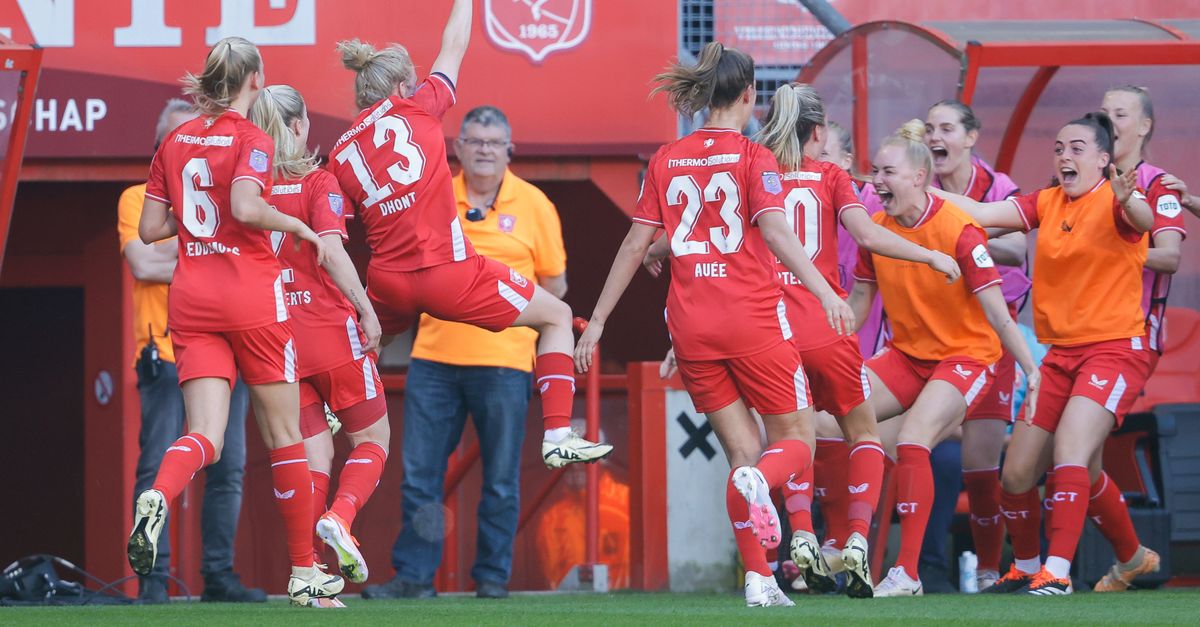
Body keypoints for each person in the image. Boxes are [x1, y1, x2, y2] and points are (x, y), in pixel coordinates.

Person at [575, 41, 855, 608]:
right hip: (752, 321)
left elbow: (637, 245)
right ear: (750, 95)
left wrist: (598, 319)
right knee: (797, 441)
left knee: (741, 455)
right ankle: (762, 495)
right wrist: (826, 291)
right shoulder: (755, 158)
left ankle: (758, 578)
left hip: (691, 329)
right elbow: (776, 233)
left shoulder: (667, 157)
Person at [676, 83, 960, 598]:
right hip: (824, 322)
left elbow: (707, 237)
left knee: (789, 434)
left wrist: (658, 258)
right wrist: (932, 256)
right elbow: (871, 236)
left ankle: (802, 531)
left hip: (767, 328)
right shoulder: (831, 176)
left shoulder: (752, 170)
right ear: (820, 133)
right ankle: (854, 538)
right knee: (864, 434)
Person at [328, 0, 610, 472]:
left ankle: (335, 409)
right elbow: (453, 45)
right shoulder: (419, 108)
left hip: (388, 279)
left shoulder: (340, 151)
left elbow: (327, 224)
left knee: (362, 341)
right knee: (558, 315)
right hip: (447, 273)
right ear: (402, 87)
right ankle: (558, 433)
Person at [126, 36, 345, 607]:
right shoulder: (251, 138)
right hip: (249, 298)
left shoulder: (174, 140)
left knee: (204, 435)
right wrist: (297, 228)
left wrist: (202, 219)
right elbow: (248, 209)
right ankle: (303, 573)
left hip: (192, 300)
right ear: (256, 80)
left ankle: (159, 497)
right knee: (284, 436)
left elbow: (151, 229)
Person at [935, 112, 1154, 595]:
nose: (1064, 156)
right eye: (1058, 148)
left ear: (1103, 158)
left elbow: (1144, 219)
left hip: (1115, 350)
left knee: (1071, 455)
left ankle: (1057, 572)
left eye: (1077, 148)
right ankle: (1034, 565)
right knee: (1015, 475)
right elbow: (981, 213)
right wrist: (918, 192)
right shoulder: (1046, 201)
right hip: (1060, 355)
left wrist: (1129, 199)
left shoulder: (1119, 200)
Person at [362, 105, 569, 600]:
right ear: (457, 147)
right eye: (474, 141)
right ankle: (414, 577)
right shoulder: (432, 196)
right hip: (435, 358)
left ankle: (492, 578)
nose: (483, 151)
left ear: (509, 150)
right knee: (419, 477)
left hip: (506, 361)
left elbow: (556, 288)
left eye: (493, 143)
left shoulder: (536, 204)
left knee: (500, 478)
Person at [848, 121, 1039, 597]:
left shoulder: (960, 229)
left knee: (914, 440)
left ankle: (907, 574)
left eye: (887, 171)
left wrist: (1033, 371)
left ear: (918, 177)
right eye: (874, 172)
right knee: (831, 419)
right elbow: (854, 310)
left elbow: (998, 314)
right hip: (908, 357)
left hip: (968, 357)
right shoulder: (877, 234)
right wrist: (809, 351)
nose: (876, 181)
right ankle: (839, 548)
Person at [117, 99, 265, 604]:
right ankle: (153, 584)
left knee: (229, 466)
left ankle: (218, 577)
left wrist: (185, 249)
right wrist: (205, 245)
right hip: (163, 349)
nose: (183, 148)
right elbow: (143, 265)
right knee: (157, 461)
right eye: (170, 140)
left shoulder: (227, 196)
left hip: (229, 342)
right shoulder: (137, 197)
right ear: (158, 148)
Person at [248, 85, 390, 603]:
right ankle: (340, 517)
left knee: (312, 459)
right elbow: (330, 251)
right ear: (299, 125)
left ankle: (306, 575)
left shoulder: (246, 188)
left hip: (273, 339)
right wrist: (367, 308)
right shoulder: (318, 181)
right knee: (373, 441)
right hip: (329, 332)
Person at [925, 100, 1030, 591]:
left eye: (946, 128)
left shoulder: (997, 187)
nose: (934, 137)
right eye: (929, 128)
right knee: (911, 447)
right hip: (930, 331)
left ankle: (991, 570)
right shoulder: (914, 180)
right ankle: (914, 567)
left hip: (990, 332)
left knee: (981, 464)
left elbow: (1017, 249)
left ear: (971, 137)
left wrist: (960, 236)